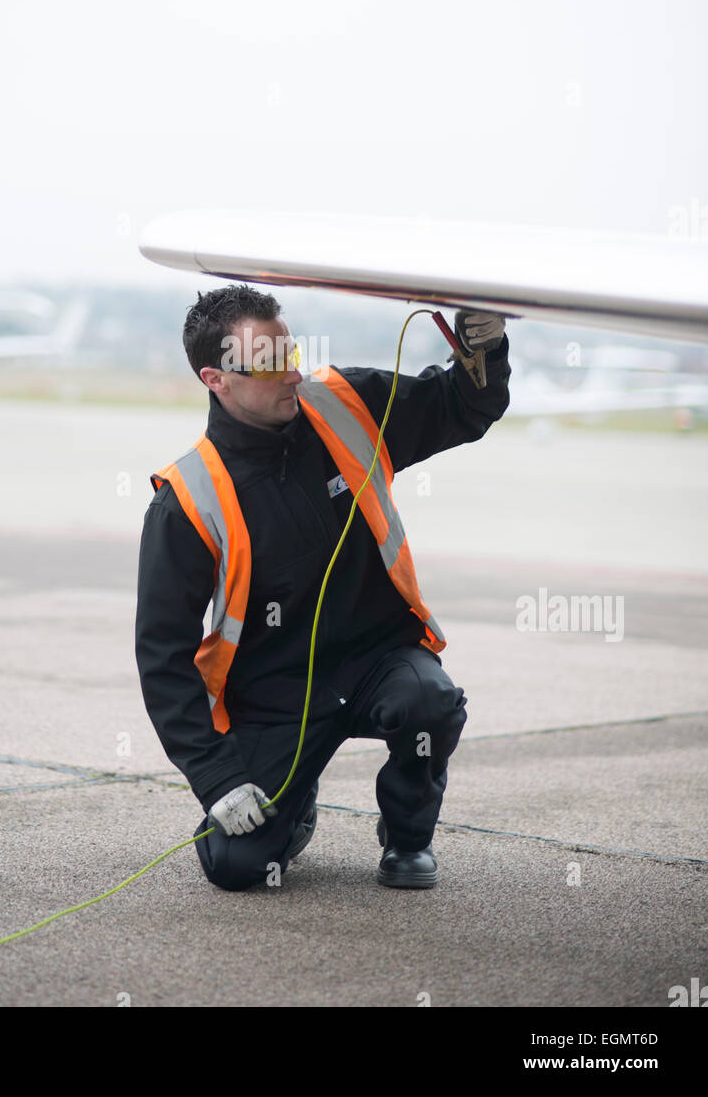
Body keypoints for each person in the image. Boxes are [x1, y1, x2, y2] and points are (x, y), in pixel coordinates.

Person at [134, 285, 511, 890]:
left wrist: (483, 350)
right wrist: (216, 779)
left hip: (378, 659)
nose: (291, 374)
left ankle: (408, 838)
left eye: (291, 353)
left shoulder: (346, 405)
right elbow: (162, 656)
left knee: (429, 704)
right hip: (275, 693)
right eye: (268, 363)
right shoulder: (188, 498)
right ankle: (295, 804)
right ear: (216, 378)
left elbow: (463, 406)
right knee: (236, 868)